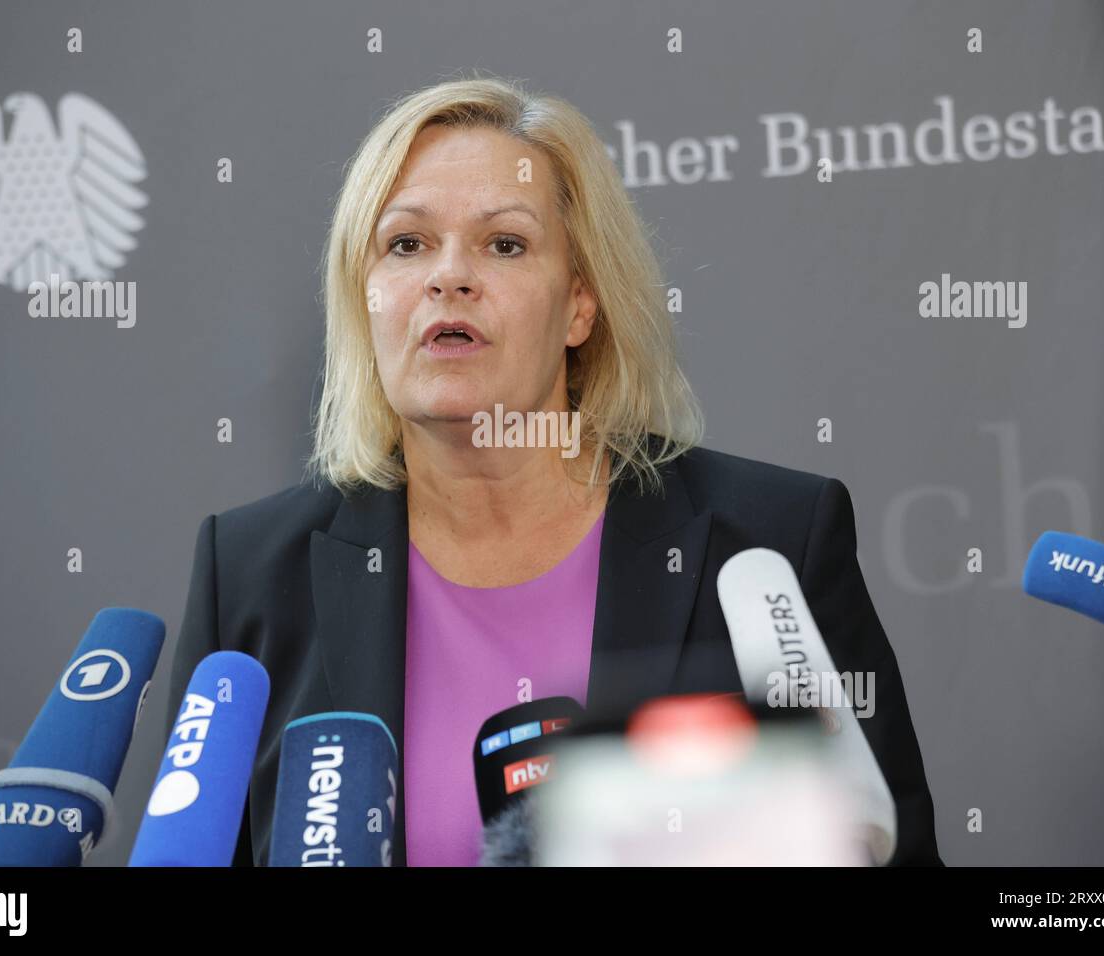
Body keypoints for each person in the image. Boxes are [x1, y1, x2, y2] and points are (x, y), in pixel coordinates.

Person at [163, 73, 942, 866]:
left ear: (579, 303)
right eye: (406, 244)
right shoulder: (251, 575)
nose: (448, 277)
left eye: (504, 244)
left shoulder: (769, 544)